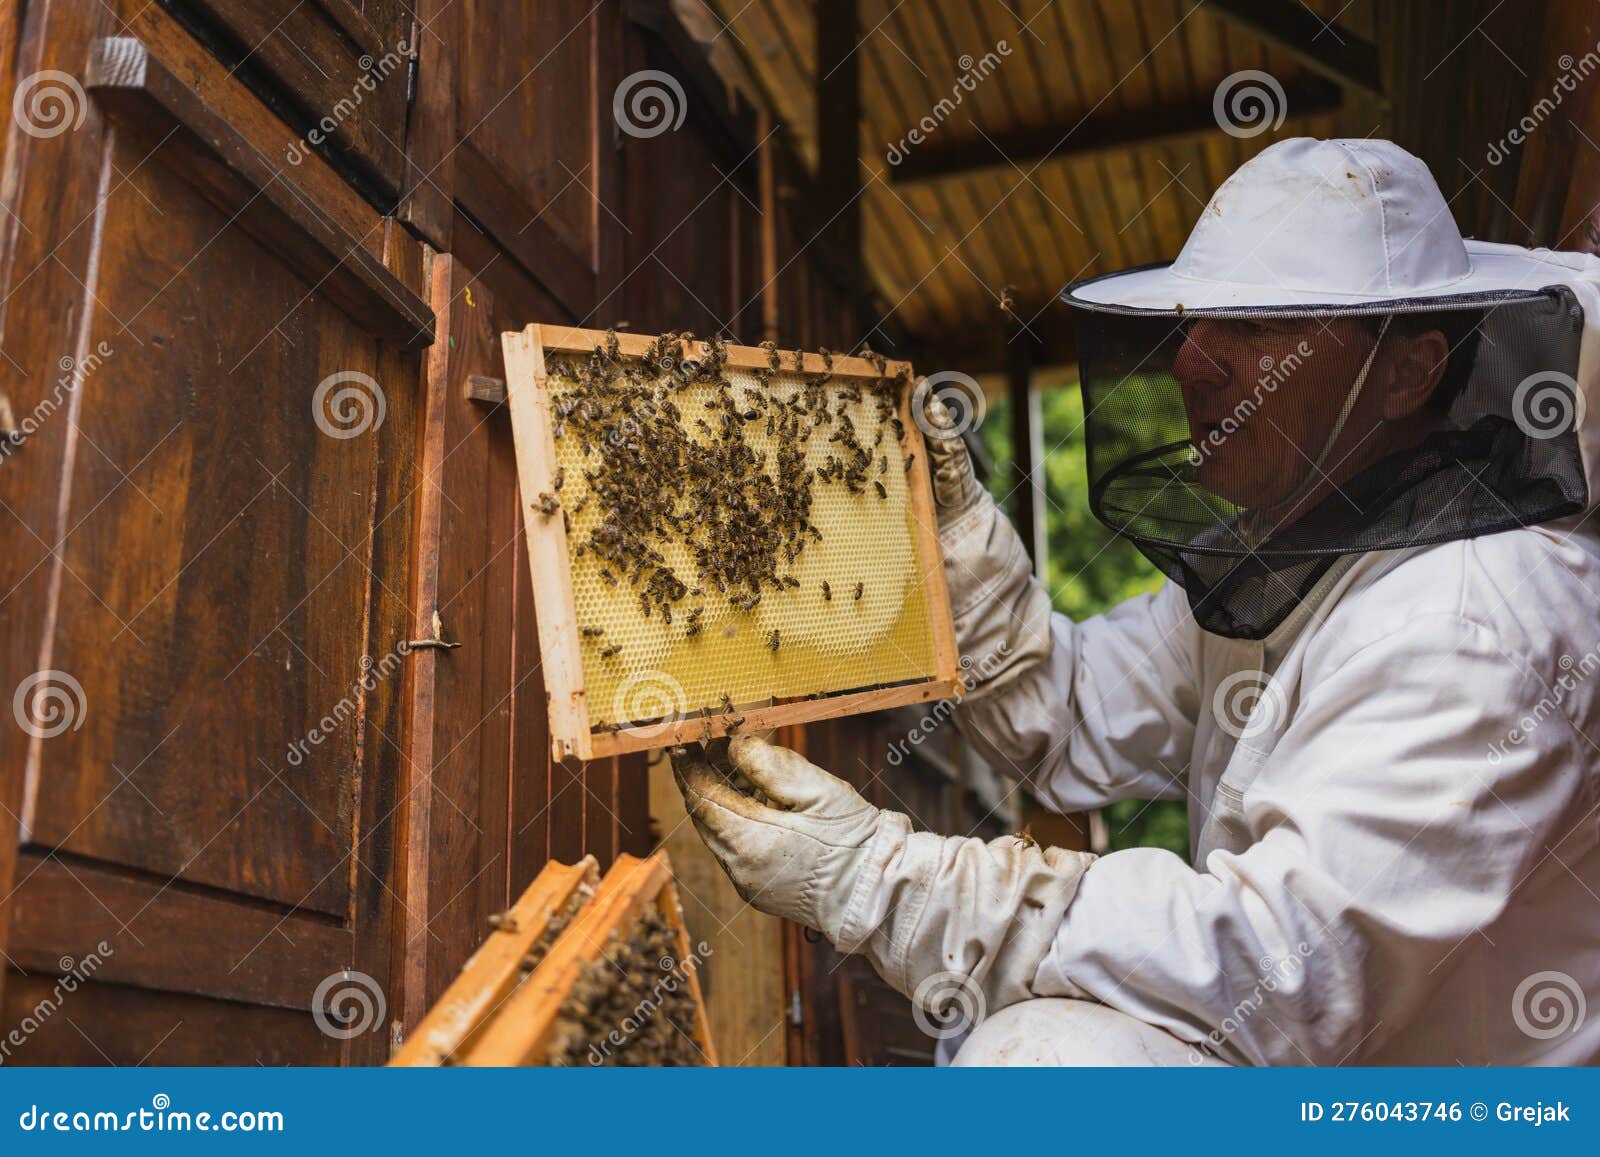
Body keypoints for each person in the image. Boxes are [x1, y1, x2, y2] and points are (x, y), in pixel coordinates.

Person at [671, 138, 1600, 1065]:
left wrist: (880, 883)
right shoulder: (1290, 548)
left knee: (1043, 1061)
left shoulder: (1471, 624)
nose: (1191, 361)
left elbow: (1277, 972)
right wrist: (952, 527)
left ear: (1408, 371)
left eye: (1260, 327)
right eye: (1198, 321)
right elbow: (1068, 715)